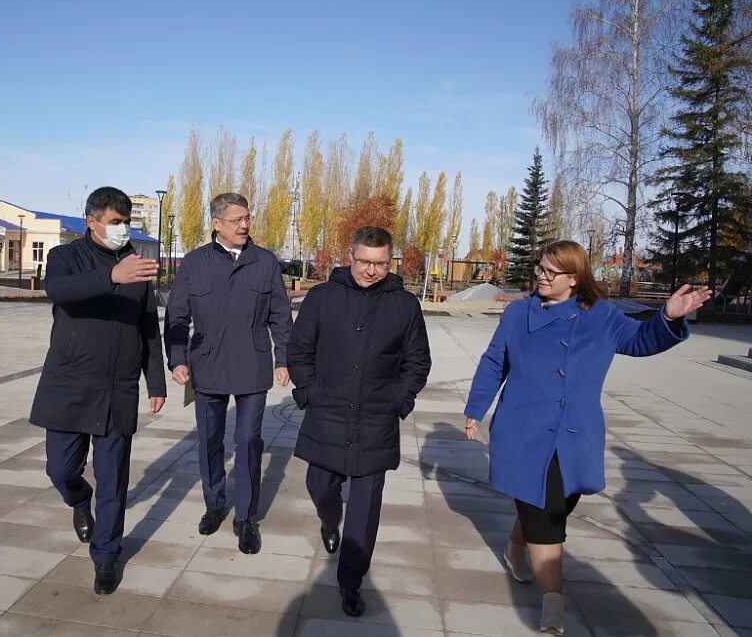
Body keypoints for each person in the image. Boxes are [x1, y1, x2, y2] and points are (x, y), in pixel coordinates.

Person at [463, 240, 710, 635]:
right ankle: (553, 603)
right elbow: (495, 362)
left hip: (575, 436)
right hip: (523, 433)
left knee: (554, 506)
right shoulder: (517, 315)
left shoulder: (601, 316)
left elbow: (640, 340)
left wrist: (667, 315)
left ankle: (515, 545)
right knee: (545, 517)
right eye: (540, 269)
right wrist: (475, 410)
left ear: (574, 279)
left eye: (550, 272)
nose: (541, 277)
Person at [287, 226, 432, 617]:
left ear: (390, 261)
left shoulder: (404, 305)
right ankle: (329, 520)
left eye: (380, 263)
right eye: (365, 262)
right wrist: (310, 392)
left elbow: (418, 362)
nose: (372, 270)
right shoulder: (321, 298)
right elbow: (298, 350)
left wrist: (398, 400)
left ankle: (351, 582)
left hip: (376, 420)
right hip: (327, 412)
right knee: (320, 484)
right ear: (350, 257)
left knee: (366, 508)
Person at [29, 186, 166, 596]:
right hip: (70, 384)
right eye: (114, 222)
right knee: (60, 469)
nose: (122, 230)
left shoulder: (136, 267)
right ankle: (77, 499)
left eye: (127, 222)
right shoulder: (65, 258)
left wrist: (154, 382)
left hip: (117, 389)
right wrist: (109, 276)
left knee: (114, 481)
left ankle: (106, 555)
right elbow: (58, 291)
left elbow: (148, 329)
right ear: (91, 222)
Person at [164, 192, 293, 554]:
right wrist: (178, 359)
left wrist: (284, 359)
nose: (245, 225)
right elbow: (177, 317)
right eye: (237, 219)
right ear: (216, 224)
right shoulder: (194, 263)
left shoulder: (265, 262)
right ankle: (215, 504)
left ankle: (247, 517)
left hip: (252, 367)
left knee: (249, 442)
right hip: (207, 367)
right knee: (209, 442)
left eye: (247, 218)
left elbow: (280, 316)